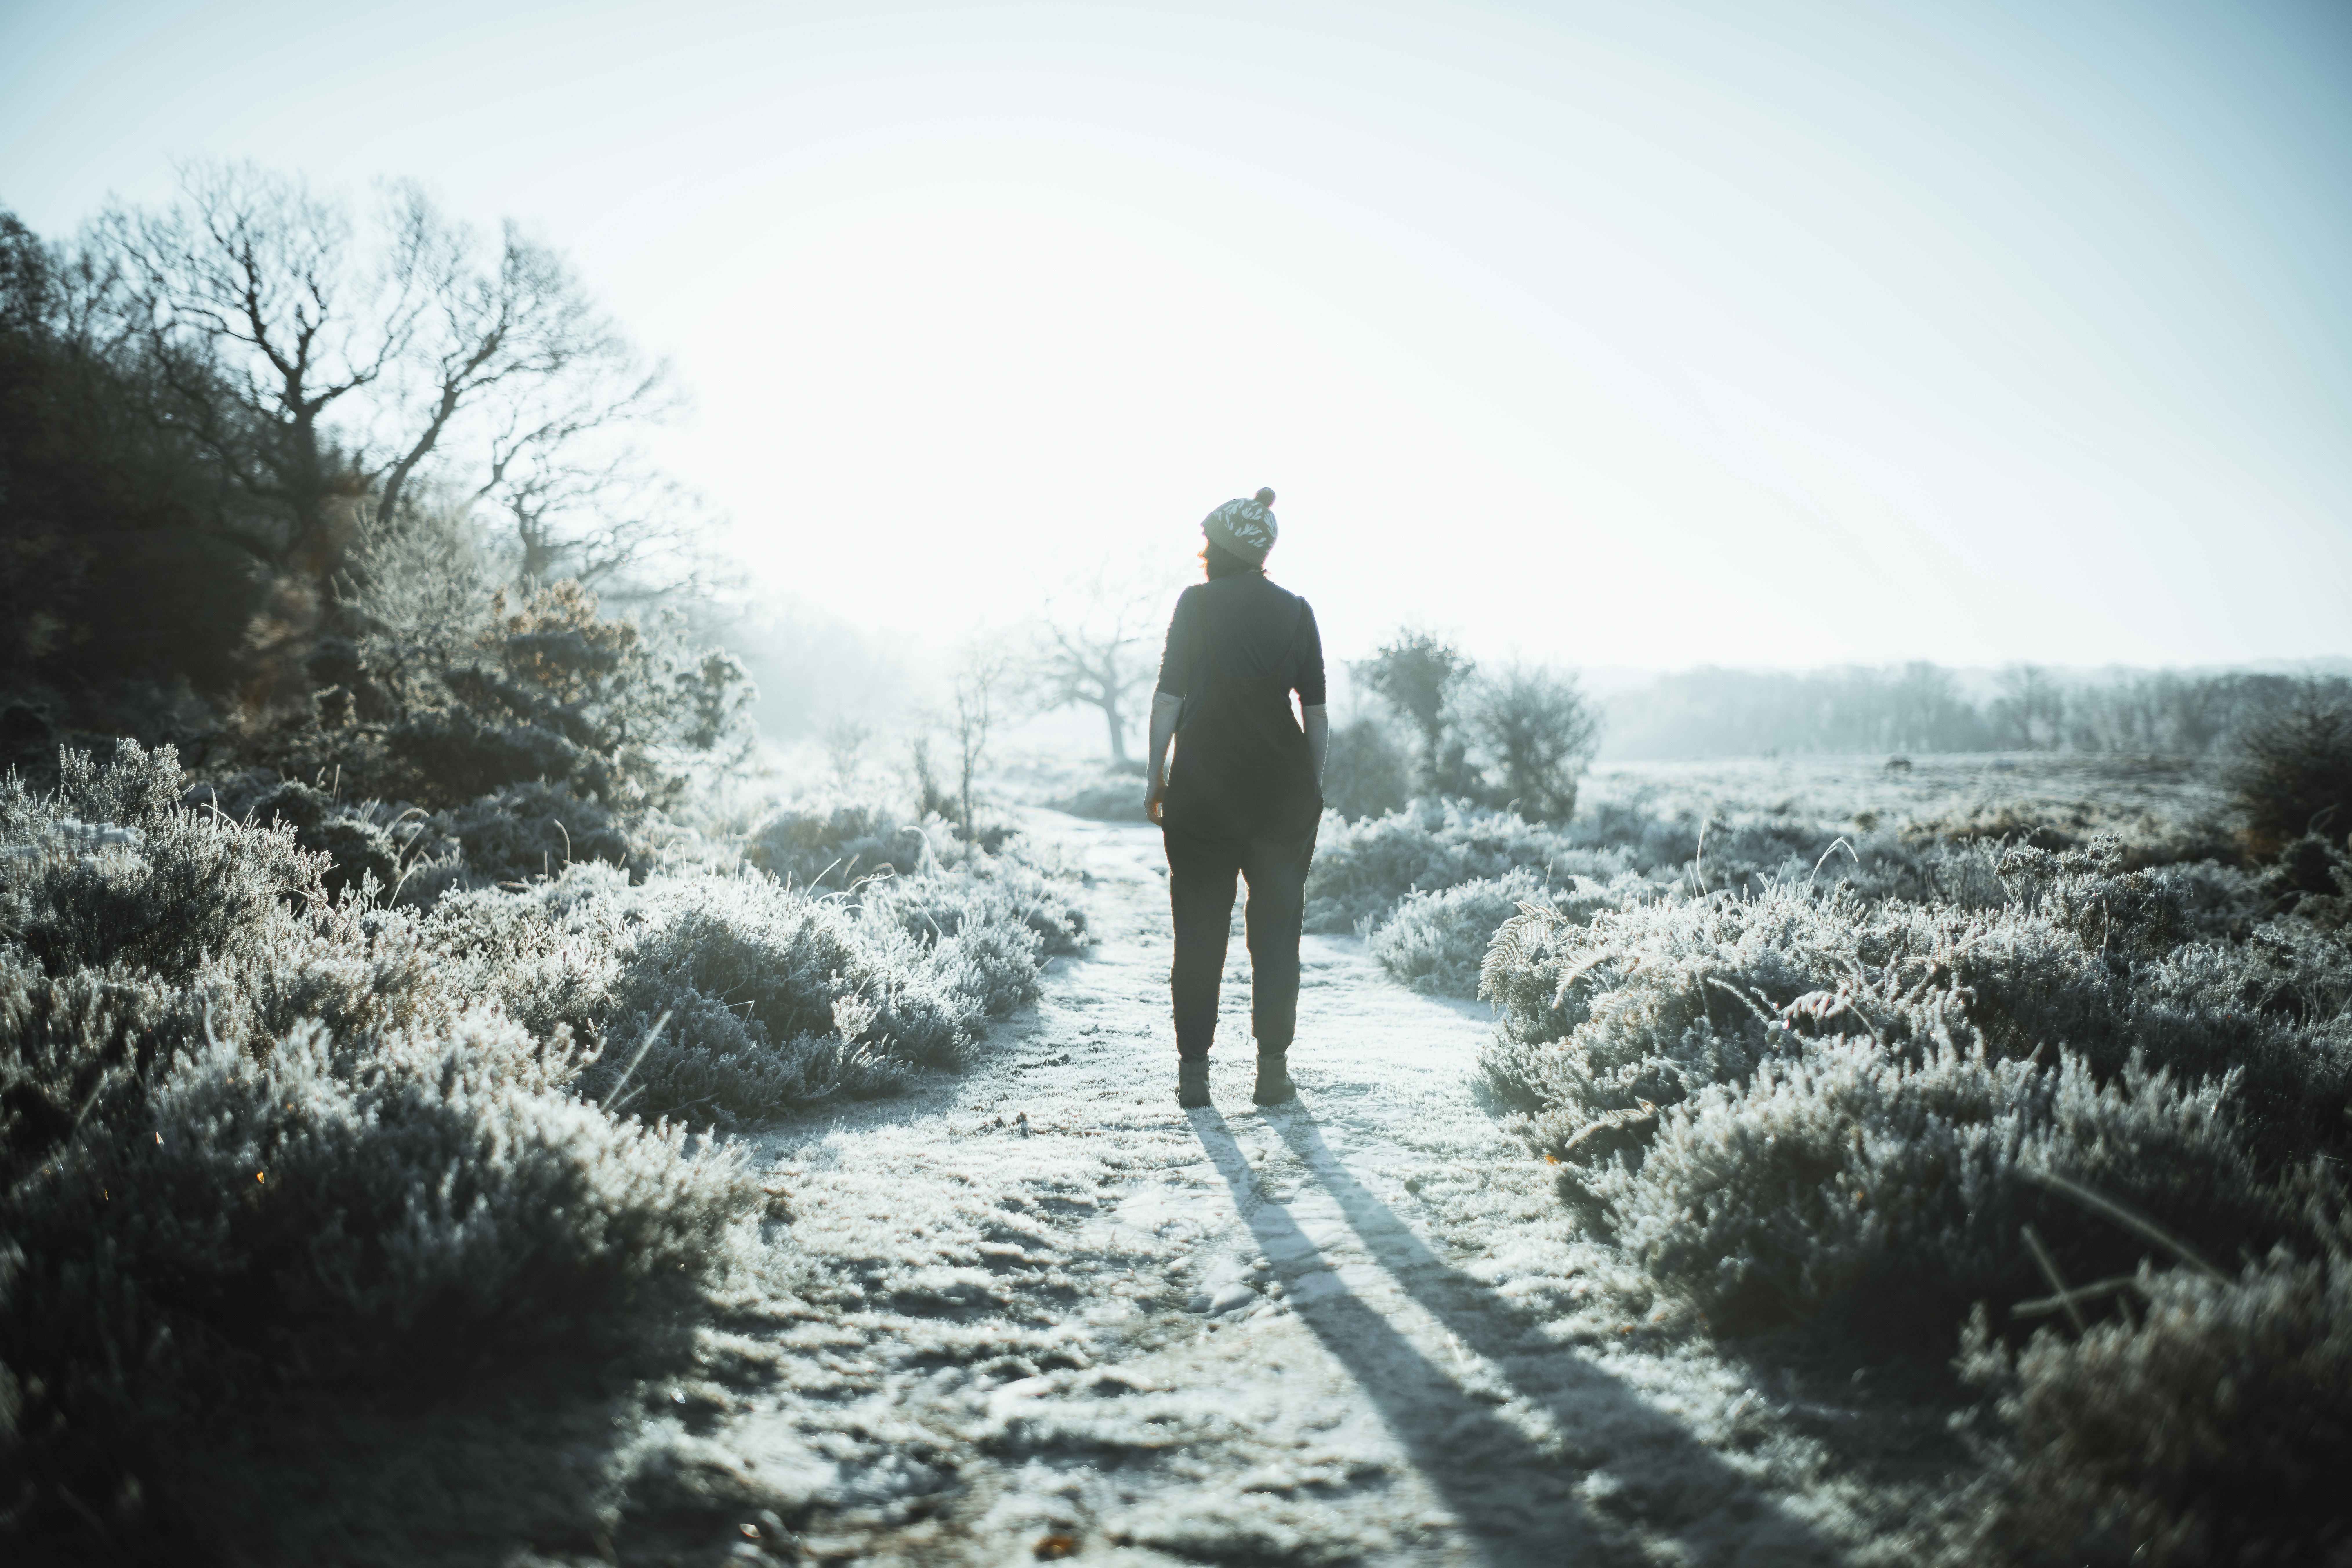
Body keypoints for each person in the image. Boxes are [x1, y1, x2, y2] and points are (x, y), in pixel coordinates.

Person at [1143, 487, 1329, 1109]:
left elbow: (1167, 698)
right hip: (1281, 799)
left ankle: (1193, 1077)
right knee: (1276, 936)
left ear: (1216, 548)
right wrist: (1314, 786)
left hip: (1201, 795)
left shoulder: (1194, 606)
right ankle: (1271, 1073)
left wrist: (1155, 777)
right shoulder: (1297, 611)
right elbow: (1317, 715)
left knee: (1197, 933)